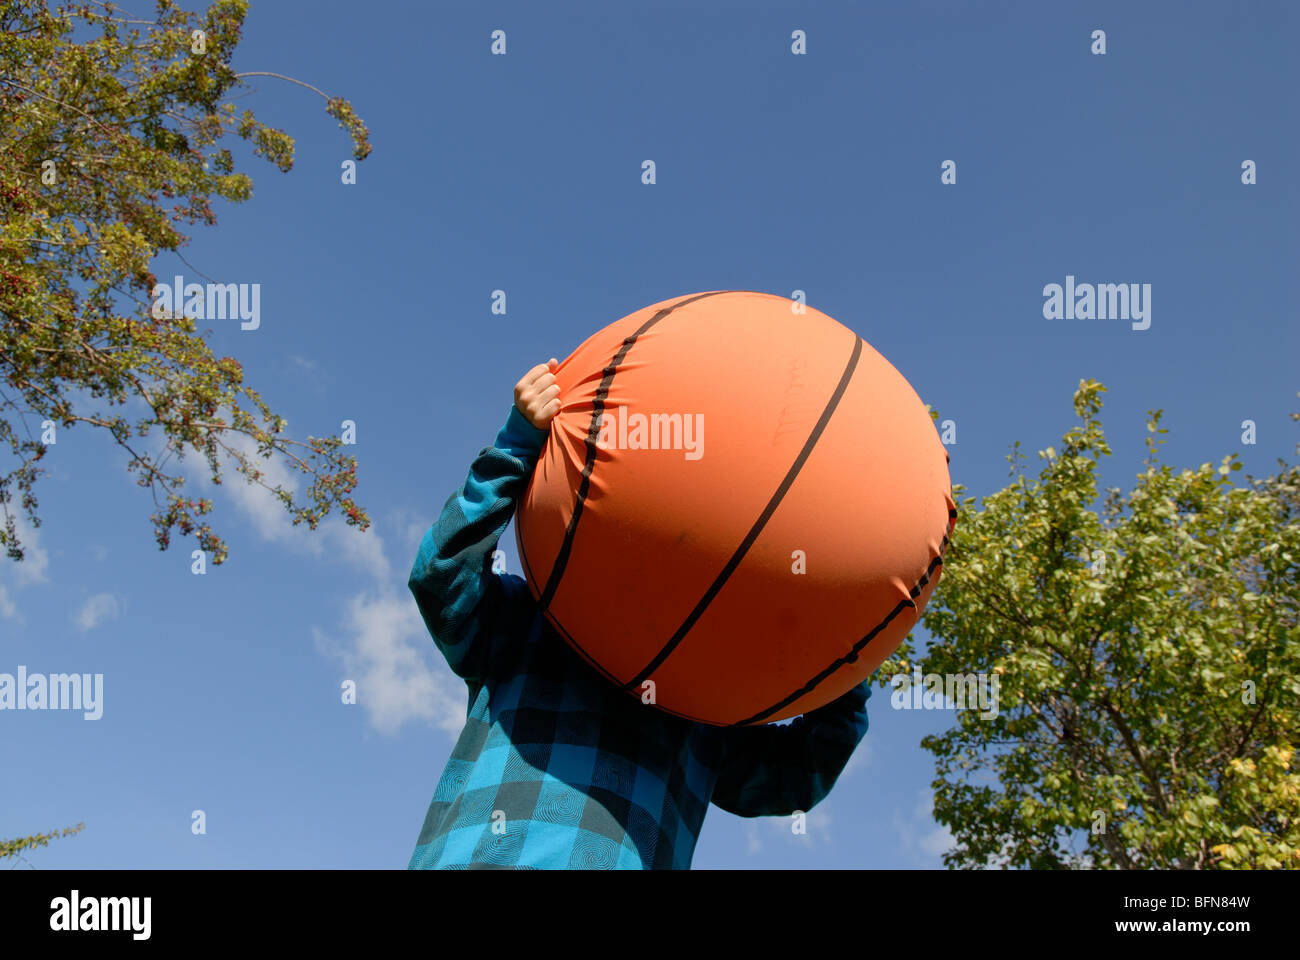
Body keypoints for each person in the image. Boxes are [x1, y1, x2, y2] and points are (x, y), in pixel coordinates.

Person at [407, 359, 872, 869]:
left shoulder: (708, 705)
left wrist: (849, 640)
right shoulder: (527, 624)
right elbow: (440, 573)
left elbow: (799, 775)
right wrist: (518, 443)